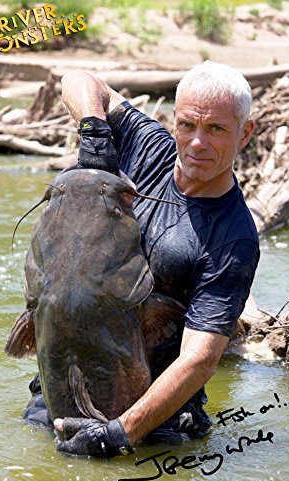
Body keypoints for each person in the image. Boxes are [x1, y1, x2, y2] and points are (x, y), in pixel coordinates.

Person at [25, 61, 260, 458]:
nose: (197, 143)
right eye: (187, 125)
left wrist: (117, 434)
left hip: (150, 427)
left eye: (216, 129)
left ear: (245, 133)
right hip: (57, 386)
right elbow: (79, 80)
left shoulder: (232, 239)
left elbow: (199, 360)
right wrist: (94, 130)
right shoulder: (149, 147)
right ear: (173, 121)